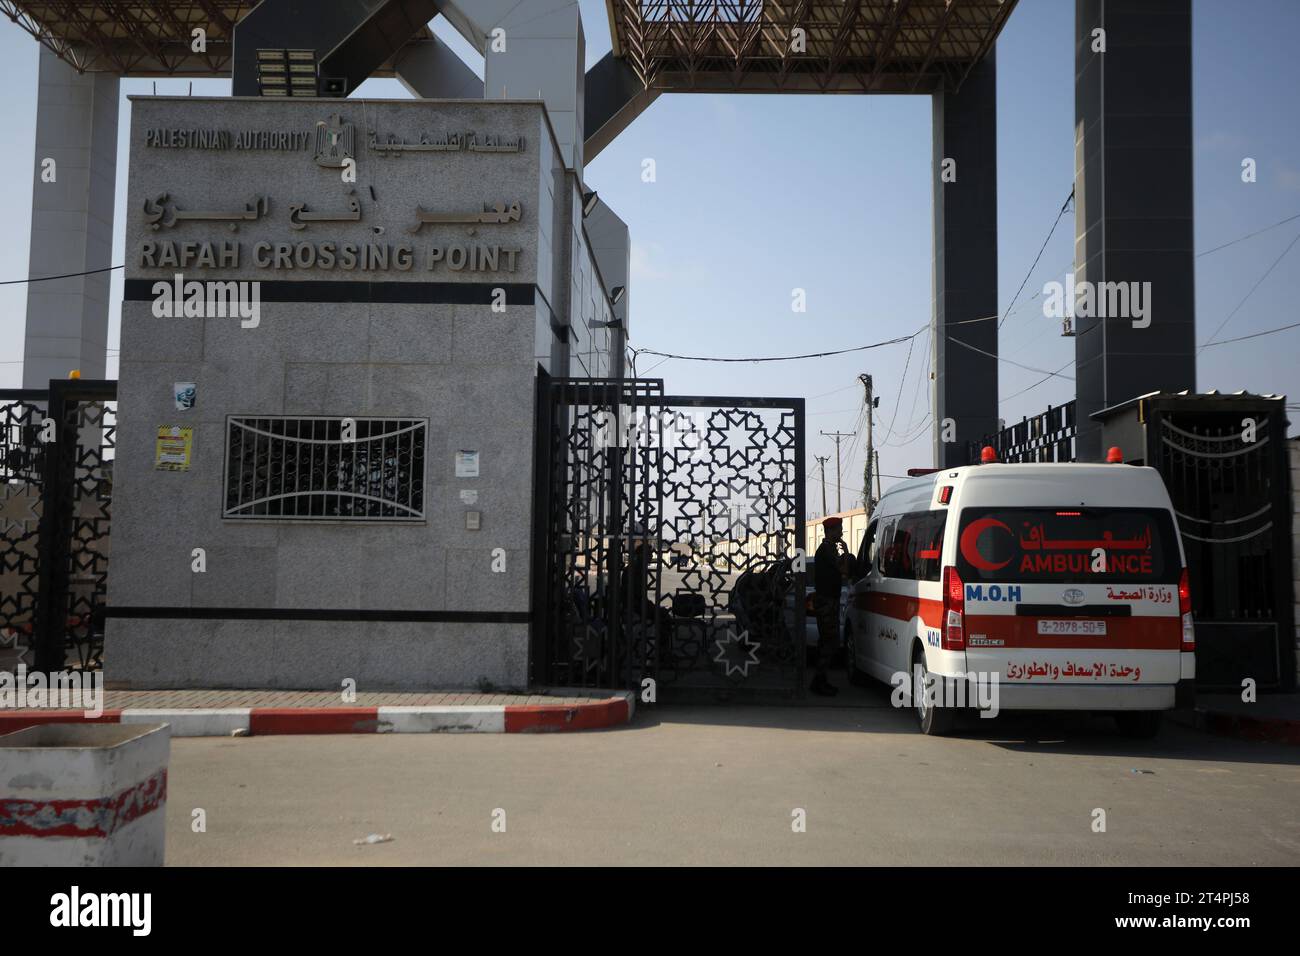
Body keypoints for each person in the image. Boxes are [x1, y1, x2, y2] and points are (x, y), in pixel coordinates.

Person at [811, 516, 856, 696]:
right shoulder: (827, 550)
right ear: (830, 531)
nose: (841, 532)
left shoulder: (829, 550)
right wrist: (845, 551)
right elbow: (844, 571)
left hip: (829, 601)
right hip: (826, 602)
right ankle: (818, 681)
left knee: (828, 642)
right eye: (839, 529)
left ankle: (821, 680)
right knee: (830, 642)